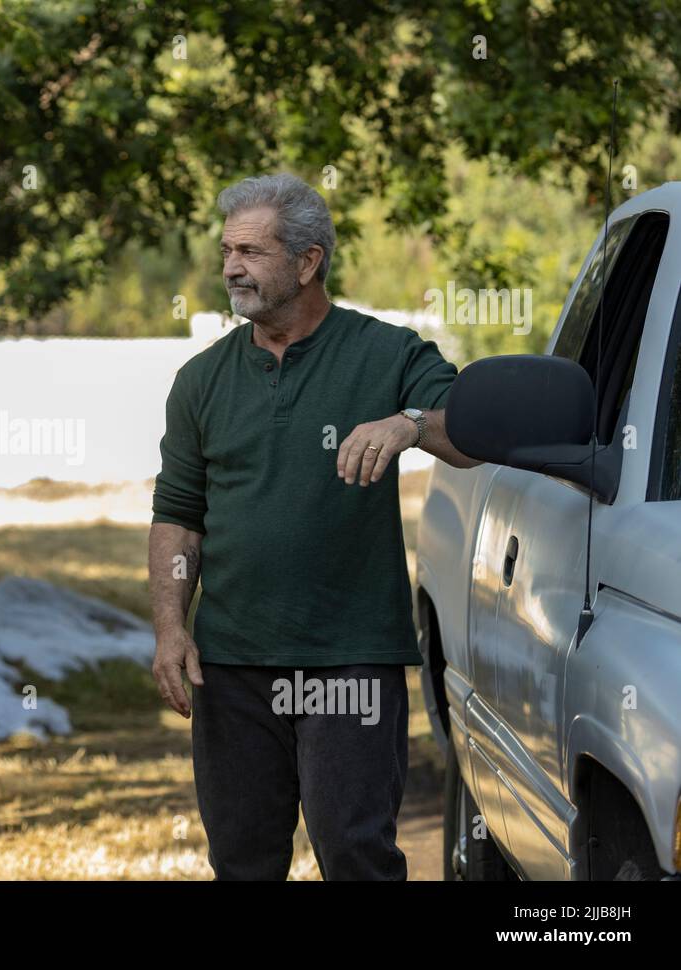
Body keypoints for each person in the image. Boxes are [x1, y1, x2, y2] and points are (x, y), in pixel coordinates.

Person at [148, 172, 481, 880]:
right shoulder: (201, 380)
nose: (232, 267)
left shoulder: (387, 353)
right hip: (231, 664)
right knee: (242, 860)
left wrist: (410, 423)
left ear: (307, 261)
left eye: (251, 252)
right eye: (227, 251)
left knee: (355, 852)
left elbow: (470, 434)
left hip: (349, 656)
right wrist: (172, 628)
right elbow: (178, 516)